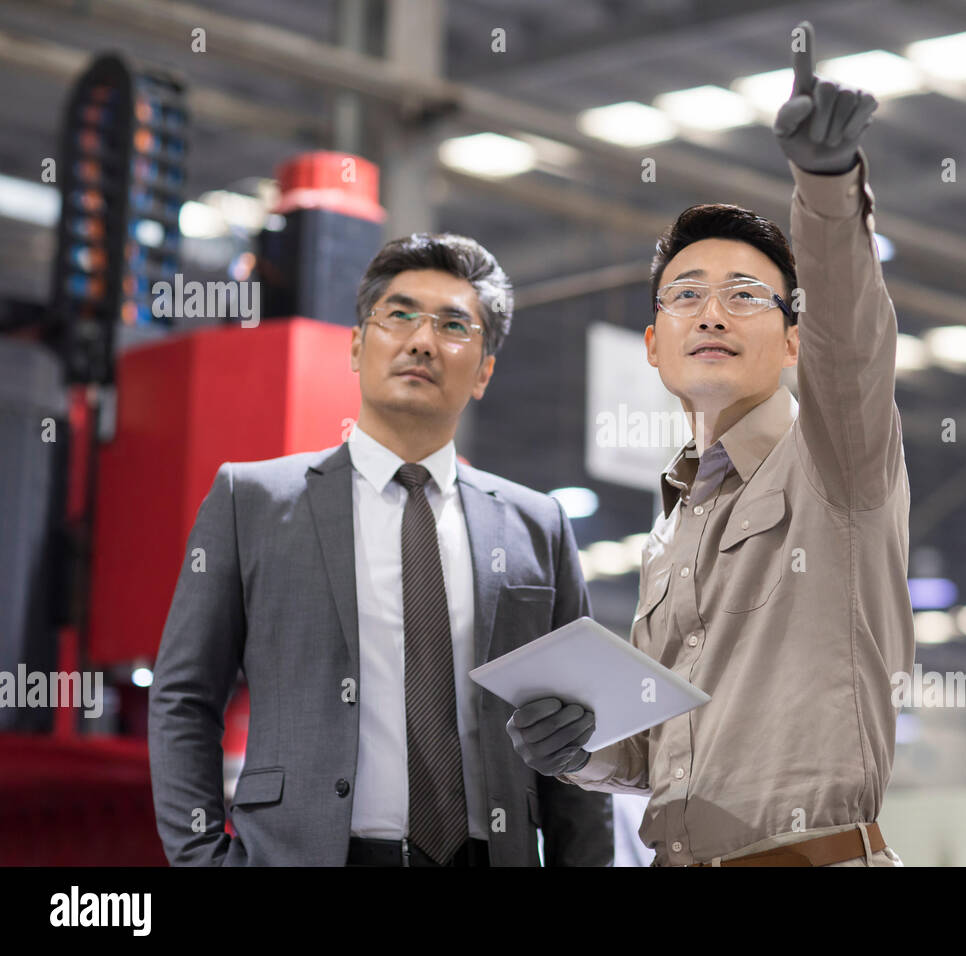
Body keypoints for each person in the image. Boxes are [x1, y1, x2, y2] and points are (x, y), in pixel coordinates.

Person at [508, 21, 913, 867]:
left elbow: (855, 342)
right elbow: (665, 750)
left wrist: (827, 186)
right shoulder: (674, 525)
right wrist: (576, 747)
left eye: (745, 295)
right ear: (653, 346)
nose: (713, 312)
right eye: (685, 295)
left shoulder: (839, 467)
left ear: (795, 340)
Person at [149, 233, 613, 866]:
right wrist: (201, 858)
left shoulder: (537, 524)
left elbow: (573, 725)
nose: (422, 340)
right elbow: (185, 696)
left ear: (483, 371)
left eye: (454, 325)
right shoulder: (252, 501)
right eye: (399, 314)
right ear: (357, 344)